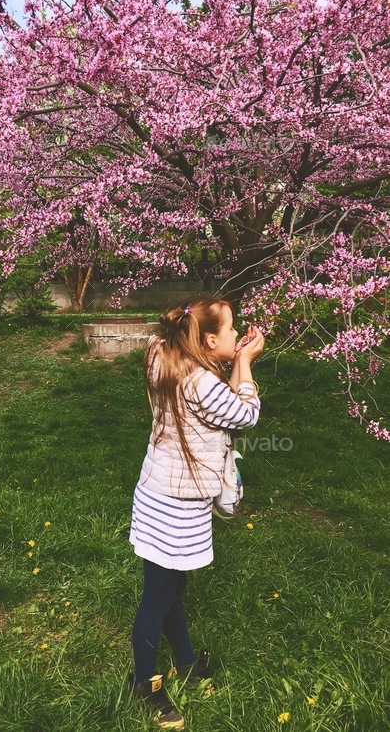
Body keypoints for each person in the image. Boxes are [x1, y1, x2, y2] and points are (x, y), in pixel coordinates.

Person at [129, 295, 264, 729]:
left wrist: (230, 352)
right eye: (229, 330)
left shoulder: (162, 354)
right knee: (157, 597)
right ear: (207, 340)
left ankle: (185, 662)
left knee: (172, 588)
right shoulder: (203, 385)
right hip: (177, 506)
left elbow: (175, 340)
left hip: (158, 495)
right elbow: (246, 413)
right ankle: (144, 685)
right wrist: (244, 362)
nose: (236, 334)